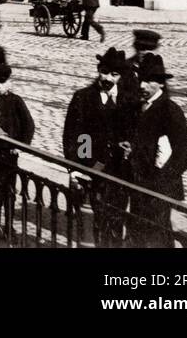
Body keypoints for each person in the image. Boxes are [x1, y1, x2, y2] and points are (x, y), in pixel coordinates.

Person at [62, 47, 133, 245]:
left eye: (114, 74)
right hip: (94, 171)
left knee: (117, 222)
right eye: (104, 72)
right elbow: (76, 135)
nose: (108, 78)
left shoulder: (129, 100)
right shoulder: (83, 98)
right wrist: (79, 168)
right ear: (98, 70)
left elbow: (135, 133)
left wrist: (130, 147)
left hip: (119, 174)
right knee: (94, 222)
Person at [125, 53, 187, 248]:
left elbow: (184, 154)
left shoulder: (170, 111)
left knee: (157, 235)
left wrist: (160, 183)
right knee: (138, 231)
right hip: (138, 184)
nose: (142, 86)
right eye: (140, 80)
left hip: (160, 188)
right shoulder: (138, 108)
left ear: (161, 84)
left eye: (148, 81)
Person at [0, 62, 35, 242]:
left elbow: (29, 125)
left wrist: (20, 145)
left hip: (9, 156)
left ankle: (8, 226)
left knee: (8, 192)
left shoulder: (16, 101)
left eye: (1, 82)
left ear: (10, 82)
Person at [119, 28, 161, 105]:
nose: (144, 52)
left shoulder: (157, 68)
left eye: (149, 49)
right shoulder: (125, 66)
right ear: (135, 47)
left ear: (155, 50)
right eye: (141, 48)